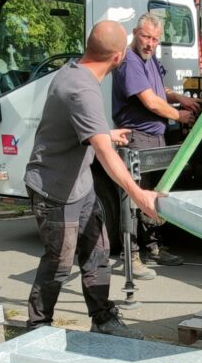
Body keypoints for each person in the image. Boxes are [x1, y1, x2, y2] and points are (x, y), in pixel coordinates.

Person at [24, 20, 161, 339]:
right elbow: (103, 153)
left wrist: (104, 132)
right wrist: (140, 196)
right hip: (55, 191)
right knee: (59, 263)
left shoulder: (75, 71)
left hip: (80, 185)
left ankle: (102, 318)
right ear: (117, 58)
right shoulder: (82, 89)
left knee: (98, 251)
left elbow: (79, 127)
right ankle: (37, 327)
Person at [112, 12, 202, 276]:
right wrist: (179, 115)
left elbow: (159, 91)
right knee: (134, 197)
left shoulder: (149, 59)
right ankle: (133, 257)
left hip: (155, 137)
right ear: (134, 33)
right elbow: (150, 101)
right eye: (145, 37)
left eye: (155, 39)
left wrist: (179, 97)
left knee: (153, 196)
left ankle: (153, 247)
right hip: (137, 138)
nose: (150, 43)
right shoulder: (129, 61)